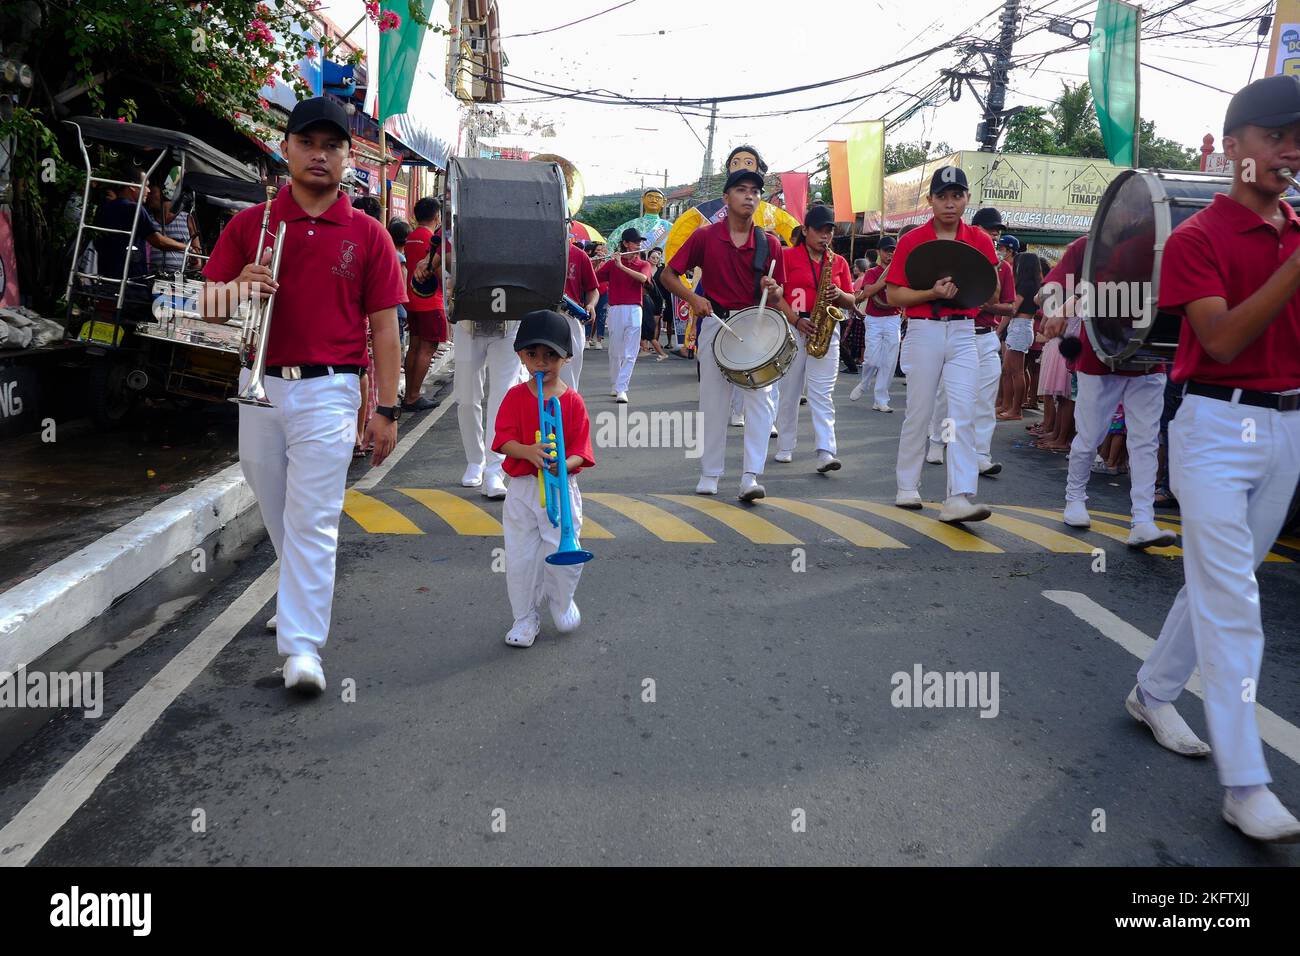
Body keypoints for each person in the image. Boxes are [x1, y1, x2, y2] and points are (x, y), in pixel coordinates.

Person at [1127, 74, 1300, 842]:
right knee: (1235, 603)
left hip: (1289, 428)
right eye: (1277, 137)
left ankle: (1152, 691)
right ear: (1234, 150)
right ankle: (1246, 783)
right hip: (1214, 428)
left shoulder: (1294, 231)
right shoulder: (1194, 239)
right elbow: (1224, 339)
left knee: (1219, 585)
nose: (1292, 152)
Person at [199, 96, 405, 695]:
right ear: (285, 148)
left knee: (312, 520)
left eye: (332, 145)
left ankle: (302, 650)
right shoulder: (251, 225)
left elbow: (386, 327)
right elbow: (207, 309)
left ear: (348, 157)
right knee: (275, 506)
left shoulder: (368, 234)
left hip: (332, 390)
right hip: (259, 383)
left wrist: (386, 407)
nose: (320, 155)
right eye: (308, 143)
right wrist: (237, 285)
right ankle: (296, 599)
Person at [661, 165, 794, 501]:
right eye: (741, 189)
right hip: (715, 324)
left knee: (760, 401)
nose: (749, 195)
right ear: (727, 197)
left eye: (755, 191)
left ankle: (751, 477)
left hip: (756, 325)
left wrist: (773, 288)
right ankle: (710, 473)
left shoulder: (770, 243)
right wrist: (694, 298)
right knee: (713, 401)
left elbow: (779, 296)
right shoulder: (705, 236)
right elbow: (668, 275)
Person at [1041, 235, 1173, 548]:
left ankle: (1142, 520)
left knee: (1145, 441)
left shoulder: (1168, 241)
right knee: (1089, 436)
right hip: (1100, 358)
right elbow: (1050, 289)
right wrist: (1059, 307)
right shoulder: (1086, 246)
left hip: (1148, 359)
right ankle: (1074, 498)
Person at [886, 166, 996, 523]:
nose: (950, 203)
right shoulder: (911, 240)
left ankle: (959, 496)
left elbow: (990, 287)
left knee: (962, 413)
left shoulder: (979, 239)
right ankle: (907, 485)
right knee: (919, 411)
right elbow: (893, 294)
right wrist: (931, 292)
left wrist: (965, 288)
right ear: (931, 200)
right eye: (943, 196)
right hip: (923, 330)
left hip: (965, 332)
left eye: (957, 196)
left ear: (966, 199)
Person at [492, 309, 596, 648]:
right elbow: (502, 440)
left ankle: (561, 599)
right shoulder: (514, 397)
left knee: (564, 555)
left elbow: (582, 449)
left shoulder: (573, 402)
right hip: (521, 489)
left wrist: (564, 464)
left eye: (551, 355)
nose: (541, 363)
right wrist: (528, 451)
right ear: (520, 355)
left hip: (561, 489)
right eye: (532, 354)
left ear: (566, 357)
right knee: (520, 558)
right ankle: (524, 617)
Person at [927, 207, 1013, 477]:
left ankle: (981, 454)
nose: (995, 235)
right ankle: (939, 442)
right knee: (946, 397)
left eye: (998, 230)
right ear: (975, 232)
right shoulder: (953, 263)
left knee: (985, 401)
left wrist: (986, 305)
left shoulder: (1004, 267)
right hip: (954, 333)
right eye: (990, 229)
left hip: (986, 337)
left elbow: (1009, 307)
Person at [773, 203, 856, 472]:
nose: (825, 237)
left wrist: (839, 295)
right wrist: (796, 320)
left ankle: (826, 451)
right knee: (789, 392)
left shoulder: (839, 262)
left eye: (829, 232)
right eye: (819, 231)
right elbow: (777, 297)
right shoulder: (787, 257)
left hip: (825, 330)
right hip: (793, 327)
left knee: (823, 395)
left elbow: (852, 300)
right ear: (805, 230)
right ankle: (785, 445)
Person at [595, 228, 654, 403]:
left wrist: (621, 266)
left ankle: (622, 388)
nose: (638, 244)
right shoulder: (612, 263)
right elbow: (595, 278)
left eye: (639, 242)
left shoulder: (644, 264)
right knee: (615, 351)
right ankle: (615, 384)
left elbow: (643, 279)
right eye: (635, 242)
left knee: (630, 352)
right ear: (626, 244)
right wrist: (595, 261)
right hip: (615, 309)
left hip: (635, 309)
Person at [401, 196, 447, 412]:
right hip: (430, 302)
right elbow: (437, 270)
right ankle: (413, 396)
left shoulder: (410, 238)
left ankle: (410, 393)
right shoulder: (431, 239)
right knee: (427, 349)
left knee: (415, 347)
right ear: (437, 216)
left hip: (412, 300)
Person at [851, 236, 901, 412]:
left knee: (889, 360)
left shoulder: (900, 270)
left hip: (893, 318)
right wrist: (886, 279)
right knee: (871, 358)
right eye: (887, 250)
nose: (890, 254)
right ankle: (864, 384)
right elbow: (868, 292)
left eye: (893, 250)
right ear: (879, 252)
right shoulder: (872, 272)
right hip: (874, 319)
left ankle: (881, 399)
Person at [996, 252, 1040, 421]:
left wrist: (999, 329)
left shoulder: (1025, 285)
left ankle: (1015, 409)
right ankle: (1007, 405)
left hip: (1020, 326)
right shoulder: (1031, 284)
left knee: (1017, 371)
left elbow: (1012, 309)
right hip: (1020, 326)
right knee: (1008, 370)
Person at [562, 232, 600, 389]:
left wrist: (591, 305)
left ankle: (569, 411)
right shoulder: (536, 251)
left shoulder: (579, 255)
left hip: (570, 317)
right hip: (541, 317)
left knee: (569, 377)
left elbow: (593, 289)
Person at [641, 247, 670, 361]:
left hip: (656, 300)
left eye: (657, 258)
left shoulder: (661, 270)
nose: (655, 259)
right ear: (648, 258)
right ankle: (646, 347)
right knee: (646, 325)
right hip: (646, 299)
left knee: (653, 325)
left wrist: (664, 300)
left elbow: (665, 286)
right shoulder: (645, 268)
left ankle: (651, 348)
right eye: (653, 257)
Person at [841, 257, 868, 376]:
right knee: (861, 339)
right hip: (861, 312)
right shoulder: (865, 278)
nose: (854, 269)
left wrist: (854, 311)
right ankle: (860, 359)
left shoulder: (858, 280)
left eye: (856, 267)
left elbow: (856, 297)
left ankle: (853, 364)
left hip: (854, 313)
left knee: (844, 341)